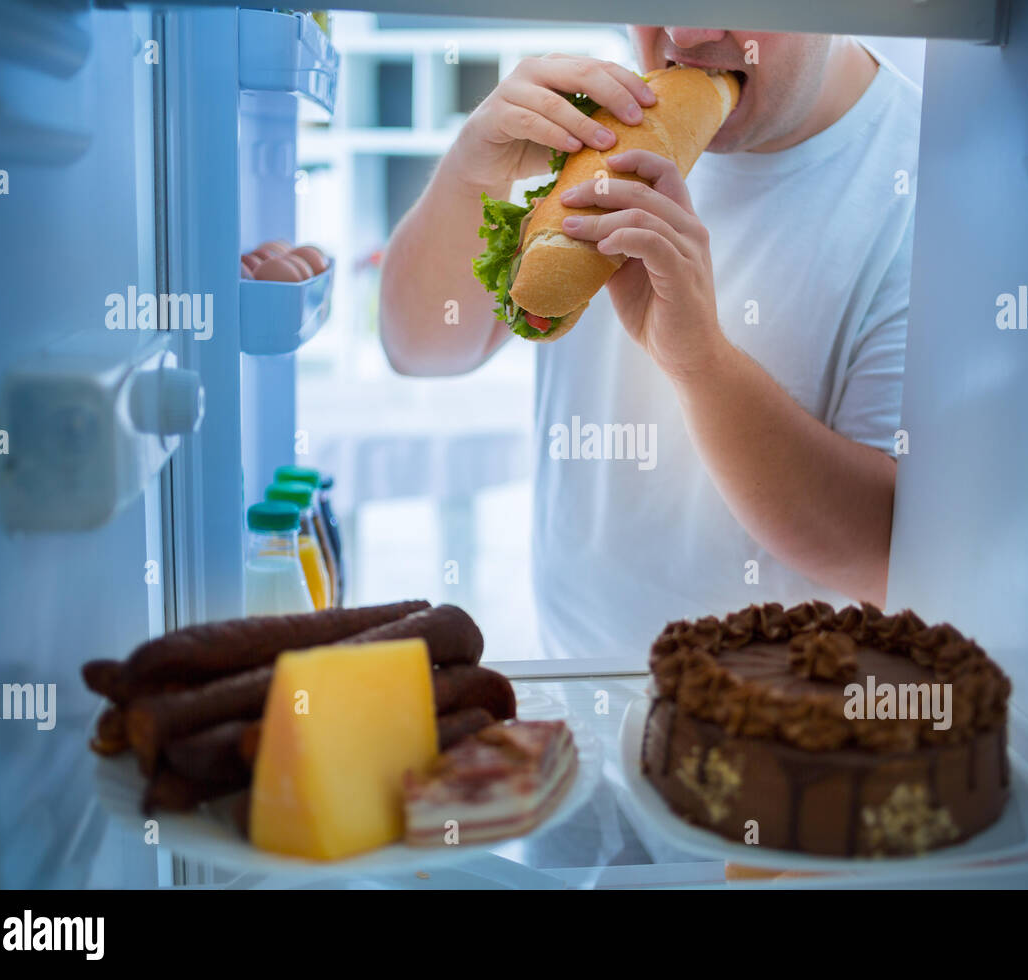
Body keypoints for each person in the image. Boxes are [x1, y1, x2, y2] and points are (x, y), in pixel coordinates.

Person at [379, 27, 920, 658]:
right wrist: (471, 173)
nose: (686, 32)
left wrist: (699, 364)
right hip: (574, 688)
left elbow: (881, 558)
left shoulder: (921, 179)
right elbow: (420, 347)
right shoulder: (587, 104)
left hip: (784, 720)